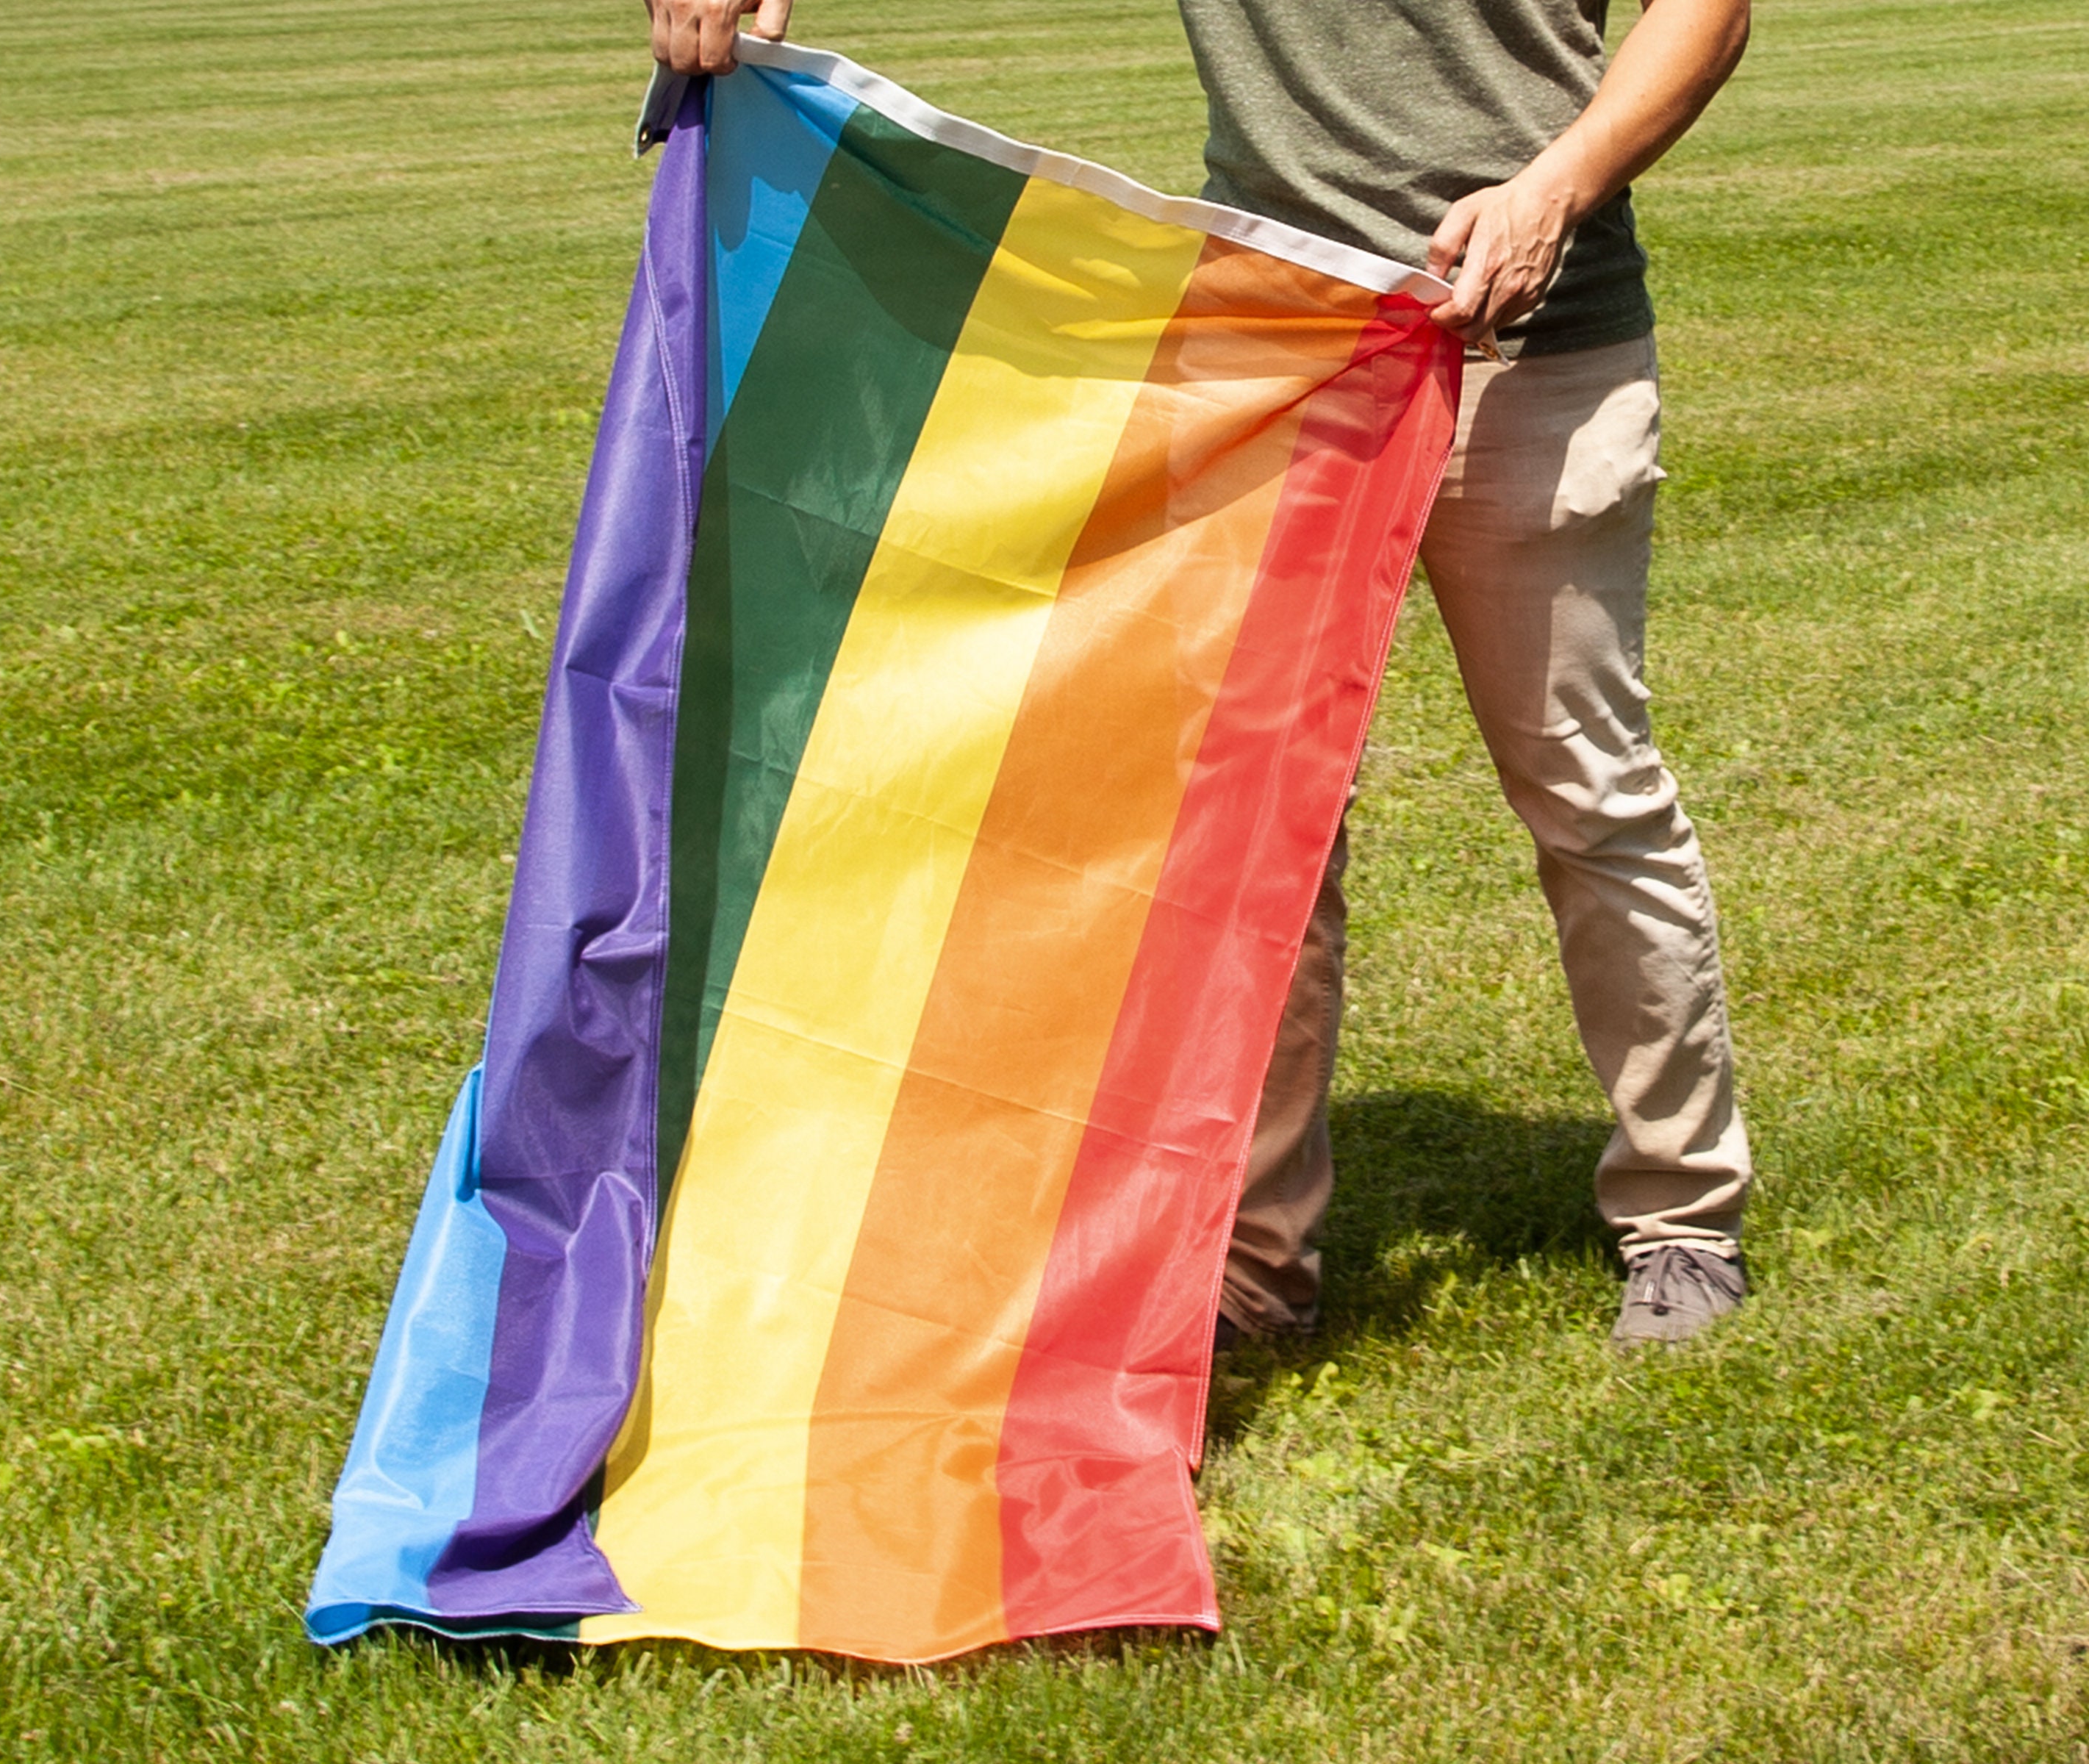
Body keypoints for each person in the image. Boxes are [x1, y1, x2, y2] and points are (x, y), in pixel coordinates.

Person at [642, 0, 1755, 1347]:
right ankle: (1255, 1268)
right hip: (1273, 342)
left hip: (1536, 351)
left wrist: (1559, 185)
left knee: (1584, 787)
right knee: (1262, 824)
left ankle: (1683, 1217)